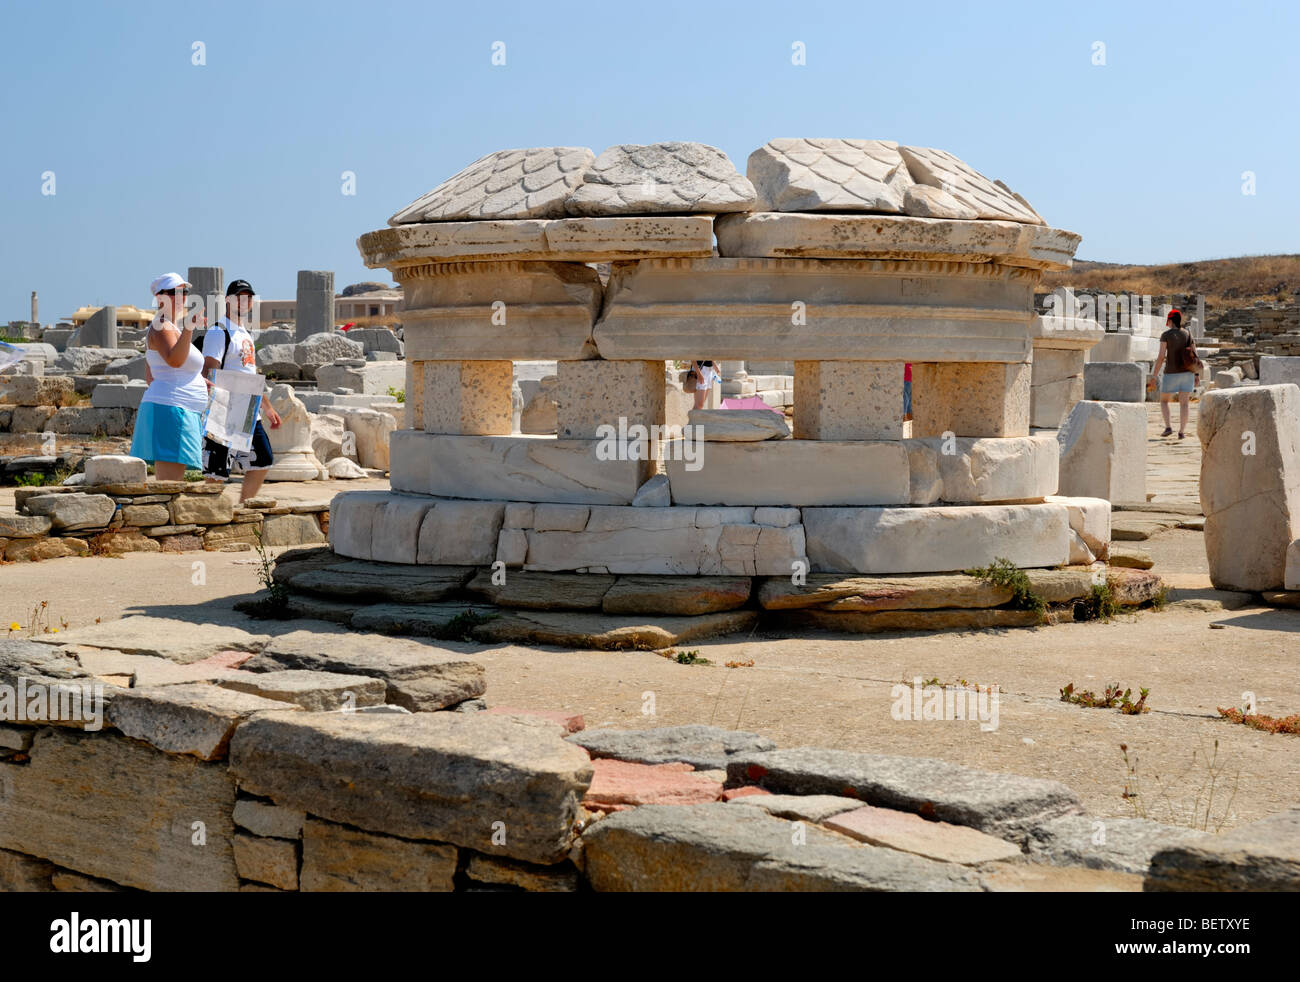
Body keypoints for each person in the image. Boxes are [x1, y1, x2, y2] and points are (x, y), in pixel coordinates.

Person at [201, 279, 281, 503]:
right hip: (224, 408)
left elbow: (250, 375)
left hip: (248, 410)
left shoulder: (246, 334)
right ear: (228, 300)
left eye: (247, 297)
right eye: (238, 297)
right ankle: (210, 514)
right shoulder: (219, 332)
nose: (243, 301)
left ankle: (244, 506)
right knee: (216, 471)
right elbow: (209, 370)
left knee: (262, 461)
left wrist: (267, 407)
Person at [129, 273, 208, 480]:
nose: (181, 297)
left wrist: (198, 380)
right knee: (170, 483)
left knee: (173, 483)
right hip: (171, 409)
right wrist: (190, 328)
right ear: (160, 297)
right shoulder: (161, 326)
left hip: (178, 409)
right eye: (175, 292)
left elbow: (152, 375)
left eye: (184, 292)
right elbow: (174, 360)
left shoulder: (170, 327)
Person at [1149, 309, 1200, 439]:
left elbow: (1161, 357)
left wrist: (1154, 376)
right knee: (1185, 404)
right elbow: (1195, 355)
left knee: (1164, 401)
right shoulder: (1188, 333)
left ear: (1170, 320)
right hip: (1187, 373)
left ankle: (1168, 427)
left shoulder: (1166, 335)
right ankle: (1181, 432)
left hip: (1170, 373)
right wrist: (1197, 375)